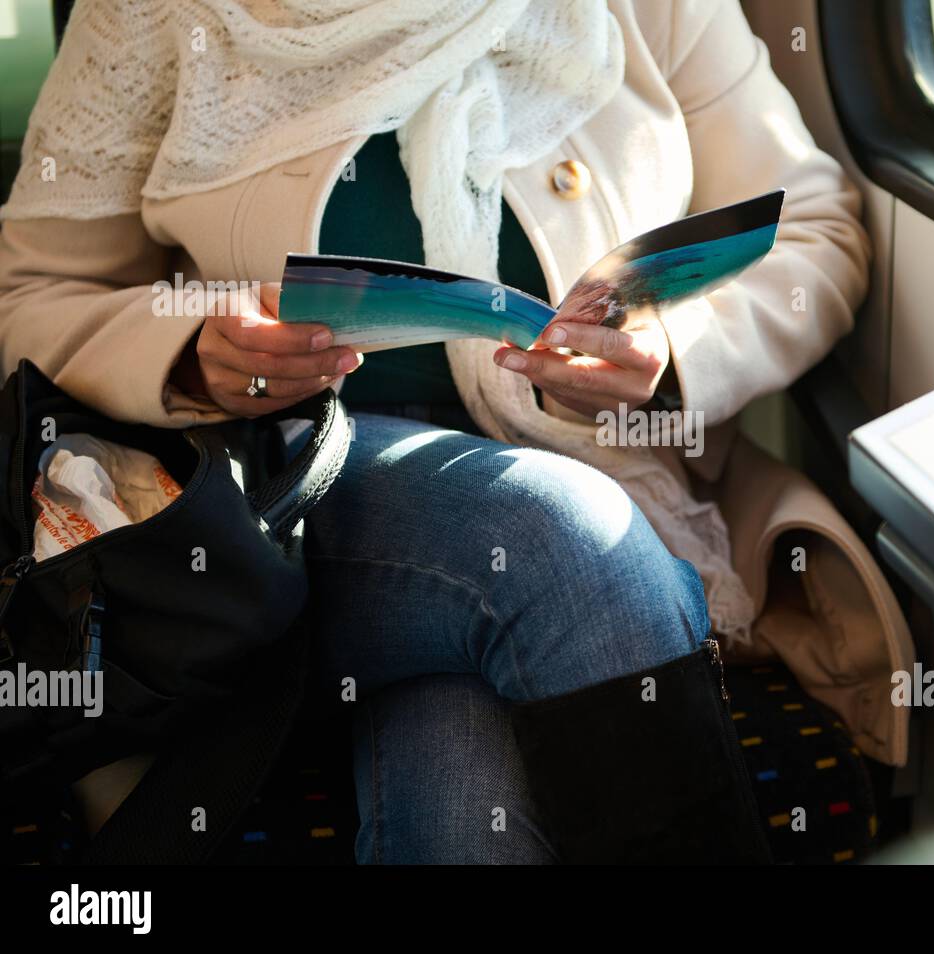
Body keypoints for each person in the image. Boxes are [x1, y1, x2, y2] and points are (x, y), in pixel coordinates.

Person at [0, 0, 874, 863]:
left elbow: (813, 230)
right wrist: (192, 351)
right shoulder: (149, 15)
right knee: (563, 535)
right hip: (284, 501)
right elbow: (32, 295)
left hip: (558, 484)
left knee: (468, 816)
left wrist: (671, 352)